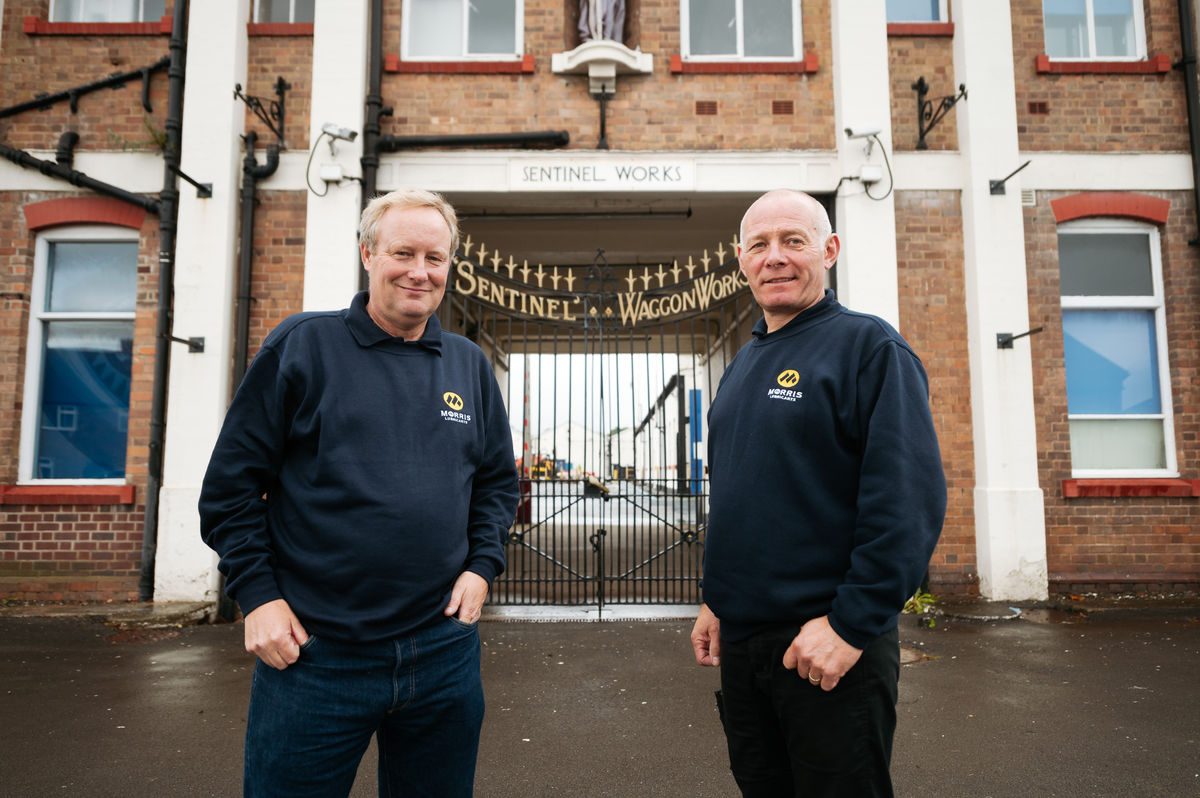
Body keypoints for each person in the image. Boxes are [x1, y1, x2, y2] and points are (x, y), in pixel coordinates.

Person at [199, 188, 519, 797]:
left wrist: (482, 566)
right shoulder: (303, 347)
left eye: (436, 257)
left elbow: (496, 482)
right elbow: (230, 489)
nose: (420, 271)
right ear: (368, 254)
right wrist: (259, 596)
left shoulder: (467, 365)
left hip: (442, 654)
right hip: (317, 656)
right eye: (403, 252)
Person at [690, 189, 946, 796]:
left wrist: (851, 626)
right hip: (746, 647)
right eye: (759, 245)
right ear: (741, 259)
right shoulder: (746, 360)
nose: (774, 257)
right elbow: (739, 491)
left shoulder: (870, 348)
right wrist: (718, 598)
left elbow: (907, 503)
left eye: (793, 241)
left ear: (829, 250)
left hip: (826, 646)